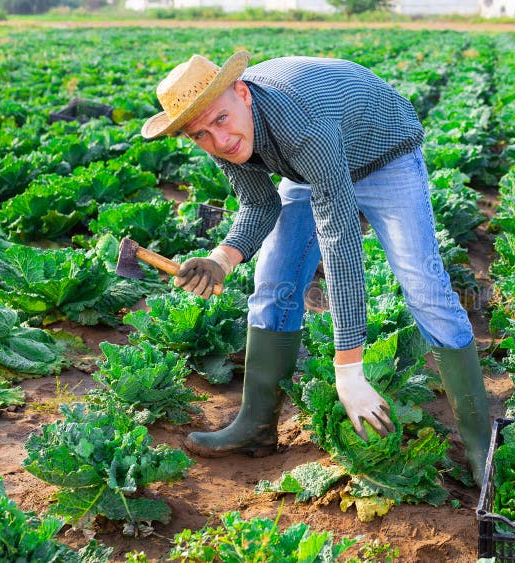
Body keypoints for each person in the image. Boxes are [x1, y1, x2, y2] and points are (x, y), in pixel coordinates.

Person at [141, 51, 491, 486]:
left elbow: (341, 246)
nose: (220, 139)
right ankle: (255, 427)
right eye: (202, 134)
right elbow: (258, 203)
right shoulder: (225, 135)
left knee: (424, 286)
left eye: (221, 120)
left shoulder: (300, 125)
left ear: (243, 94)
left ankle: (480, 442)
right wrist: (222, 258)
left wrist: (350, 370)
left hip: (383, 153)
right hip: (310, 167)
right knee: (272, 282)